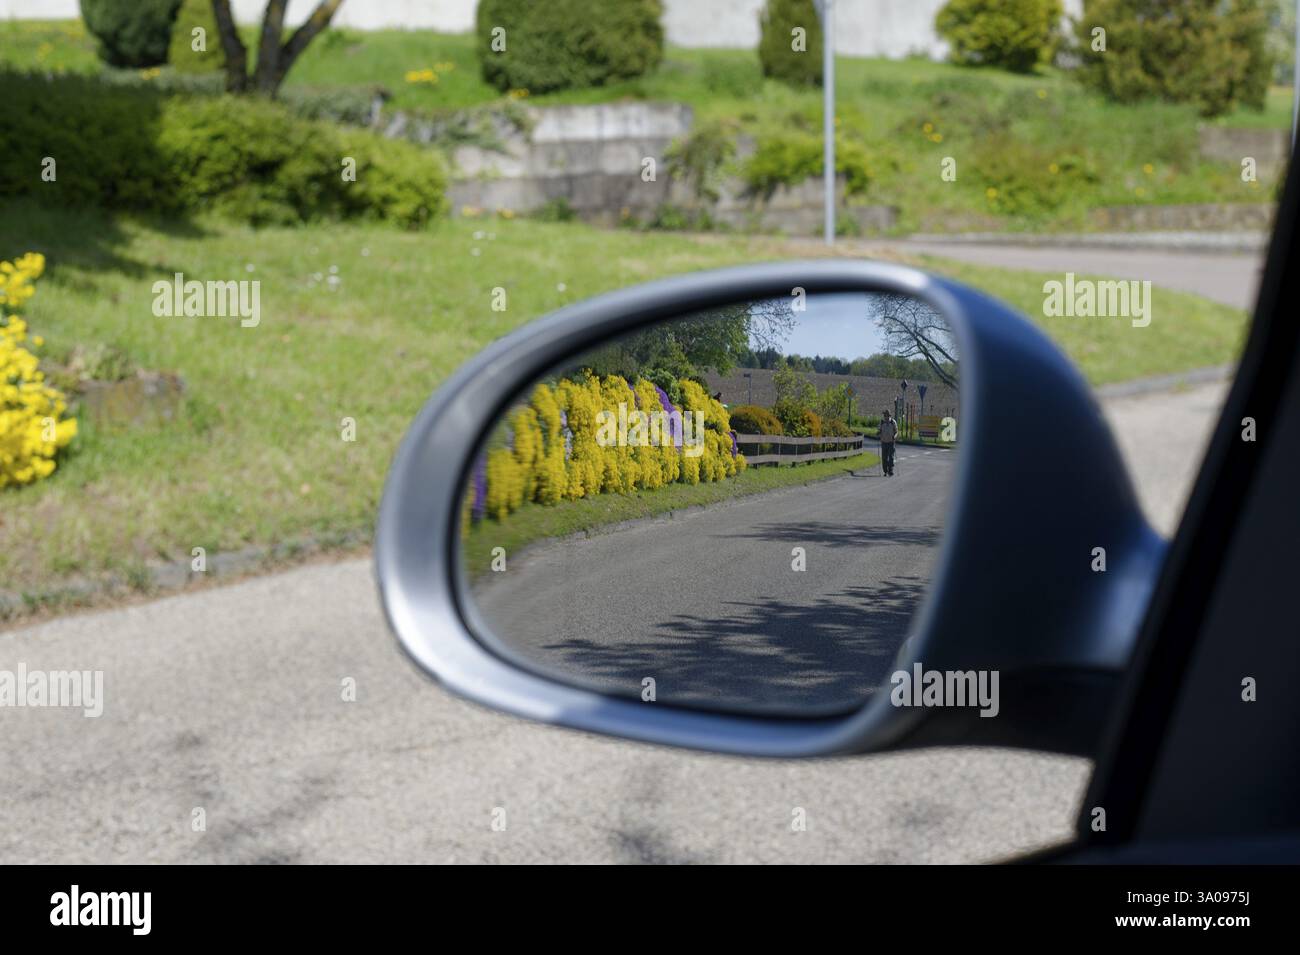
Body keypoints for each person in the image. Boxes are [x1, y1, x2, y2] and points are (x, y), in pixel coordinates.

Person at [879, 409, 897, 477]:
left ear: (888, 416)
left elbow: (896, 431)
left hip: (891, 442)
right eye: (884, 415)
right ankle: (885, 471)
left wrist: (894, 436)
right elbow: (879, 430)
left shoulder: (893, 422)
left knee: (891, 457)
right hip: (883, 442)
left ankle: (890, 470)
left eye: (886, 415)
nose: (885, 417)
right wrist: (878, 433)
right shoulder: (882, 422)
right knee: (884, 458)